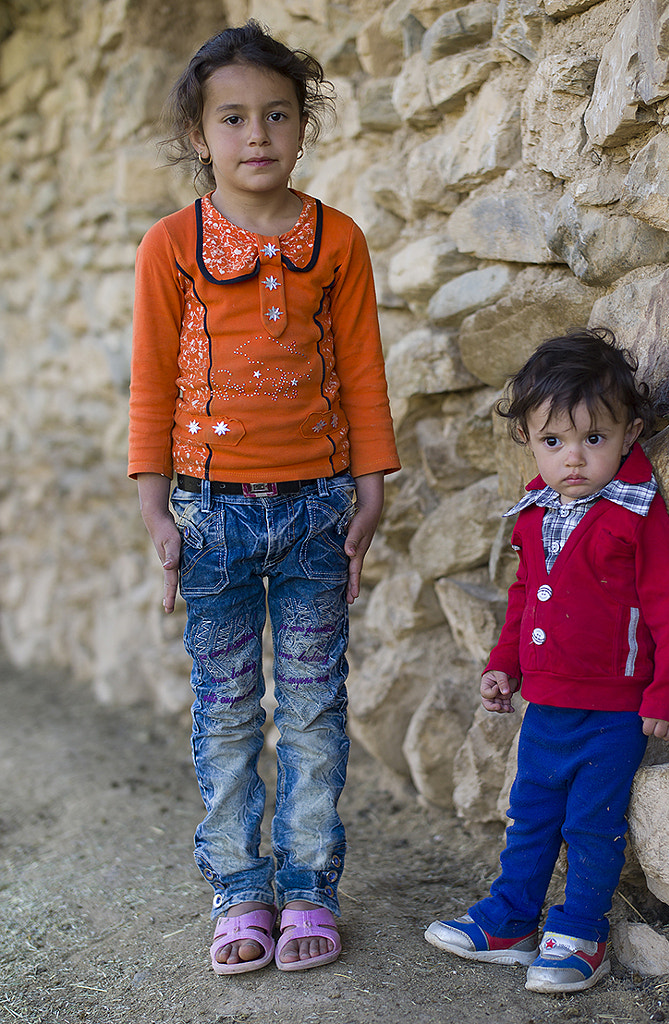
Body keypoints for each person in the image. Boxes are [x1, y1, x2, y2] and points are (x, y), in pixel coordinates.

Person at [128, 21, 400, 975]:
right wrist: (157, 512)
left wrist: (370, 491)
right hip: (211, 515)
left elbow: (363, 374)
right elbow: (153, 386)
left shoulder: (339, 241)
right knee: (229, 713)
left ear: (302, 126)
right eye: (233, 118)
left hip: (320, 510)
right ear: (199, 136)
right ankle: (240, 892)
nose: (257, 136)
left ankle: (311, 893)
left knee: (316, 710)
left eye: (277, 115)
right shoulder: (171, 246)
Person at [425, 328, 669, 994]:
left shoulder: (636, 513)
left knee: (590, 825)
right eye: (552, 442)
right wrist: (503, 664)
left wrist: (666, 693)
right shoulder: (535, 511)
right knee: (532, 815)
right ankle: (511, 920)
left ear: (629, 434)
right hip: (544, 703)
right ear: (528, 440)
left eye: (591, 439)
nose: (571, 458)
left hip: (612, 711)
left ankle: (580, 933)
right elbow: (523, 597)